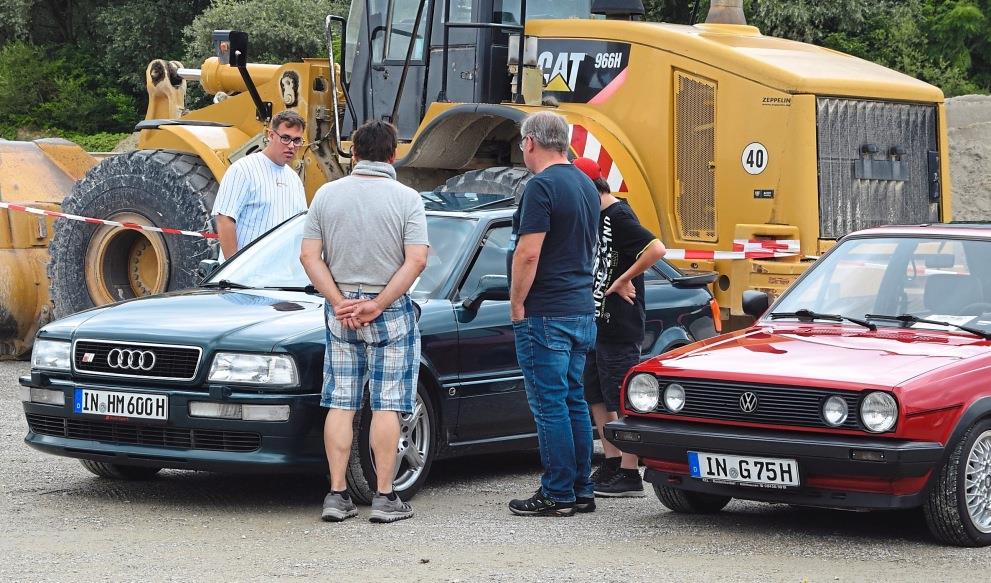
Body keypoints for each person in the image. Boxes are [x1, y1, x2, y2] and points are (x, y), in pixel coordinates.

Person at [299, 119, 428, 524]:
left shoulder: (326, 195)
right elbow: (417, 260)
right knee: (388, 403)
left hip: (341, 310)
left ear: (353, 153)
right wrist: (378, 303)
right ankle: (385, 496)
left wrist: (338, 301)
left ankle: (337, 495)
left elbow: (308, 256)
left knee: (341, 401)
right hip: (387, 308)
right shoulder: (407, 199)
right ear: (393, 155)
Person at [508, 112, 600, 517]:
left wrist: (516, 304)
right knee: (573, 399)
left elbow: (529, 253)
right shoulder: (585, 183)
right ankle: (581, 488)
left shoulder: (541, 186)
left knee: (549, 404)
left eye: (522, 144)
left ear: (530, 142)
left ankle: (557, 491)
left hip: (545, 311)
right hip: (580, 307)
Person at [572, 157, 666, 498]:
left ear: (590, 188)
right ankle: (611, 461)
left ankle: (629, 470)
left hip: (620, 324)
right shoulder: (595, 215)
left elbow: (656, 248)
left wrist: (624, 279)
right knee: (596, 394)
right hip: (596, 322)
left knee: (622, 397)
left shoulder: (619, 215)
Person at [213, 110, 308, 260]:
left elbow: (298, 228)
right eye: (285, 138)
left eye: (297, 140)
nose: (291, 145)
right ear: (271, 135)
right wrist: (235, 267)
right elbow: (225, 219)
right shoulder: (243, 169)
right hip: (247, 271)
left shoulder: (294, 179)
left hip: (280, 270)